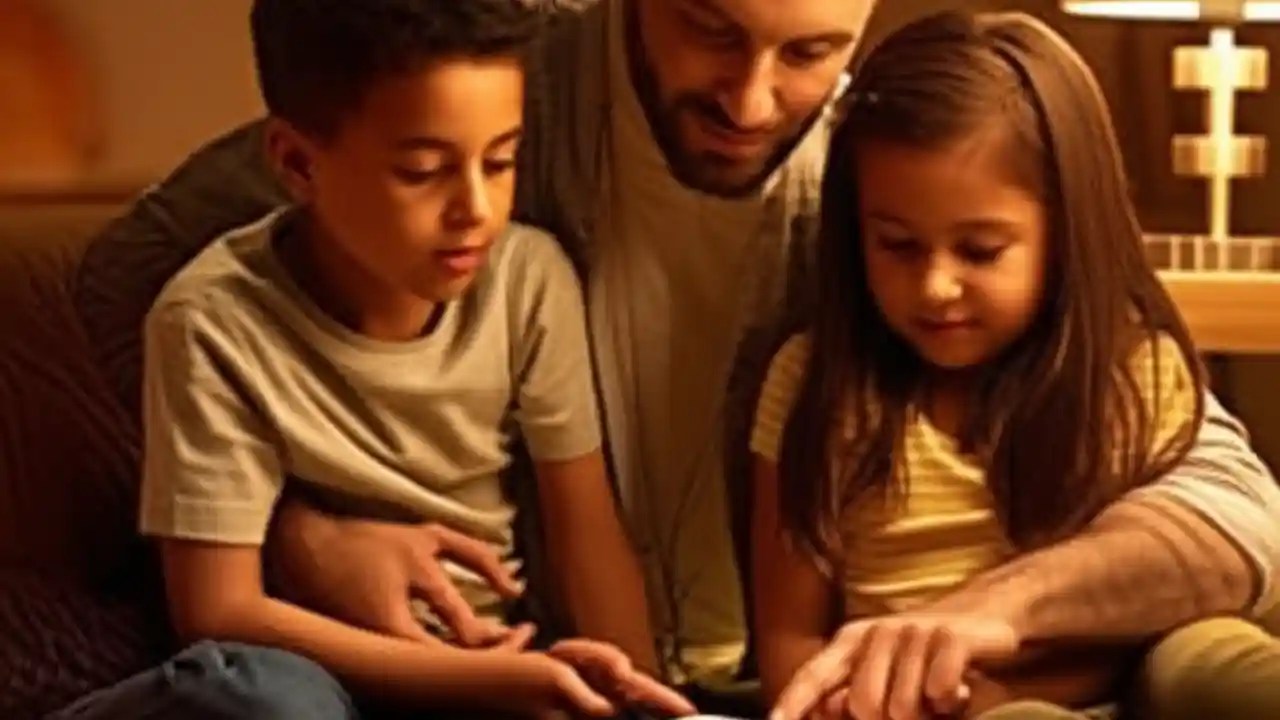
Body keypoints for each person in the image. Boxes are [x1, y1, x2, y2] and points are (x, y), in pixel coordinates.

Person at [65, 0, 1280, 717]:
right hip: (556, 673)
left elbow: (1234, 512)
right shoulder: (492, 95)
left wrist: (985, 613)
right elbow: (135, 278)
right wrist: (289, 529)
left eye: (809, 51)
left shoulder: (892, 174)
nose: (753, 99)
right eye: (708, 27)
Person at [53, 0, 695, 718]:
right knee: (254, 696)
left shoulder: (528, 282)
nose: (476, 208)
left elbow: (589, 534)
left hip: (492, 666)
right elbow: (217, 606)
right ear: (297, 162)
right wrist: (480, 679)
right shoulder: (210, 320)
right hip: (315, 671)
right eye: (423, 171)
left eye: (502, 160)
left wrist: (635, 695)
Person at [754, 11, 1280, 720]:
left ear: (1065, 232)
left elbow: (1151, 625)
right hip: (935, 711)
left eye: (980, 251)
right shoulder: (818, 384)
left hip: (1117, 686)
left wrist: (1025, 687)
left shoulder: (1131, 370)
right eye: (898, 246)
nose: (937, 286)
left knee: (1213, 659)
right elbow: (790, 634)